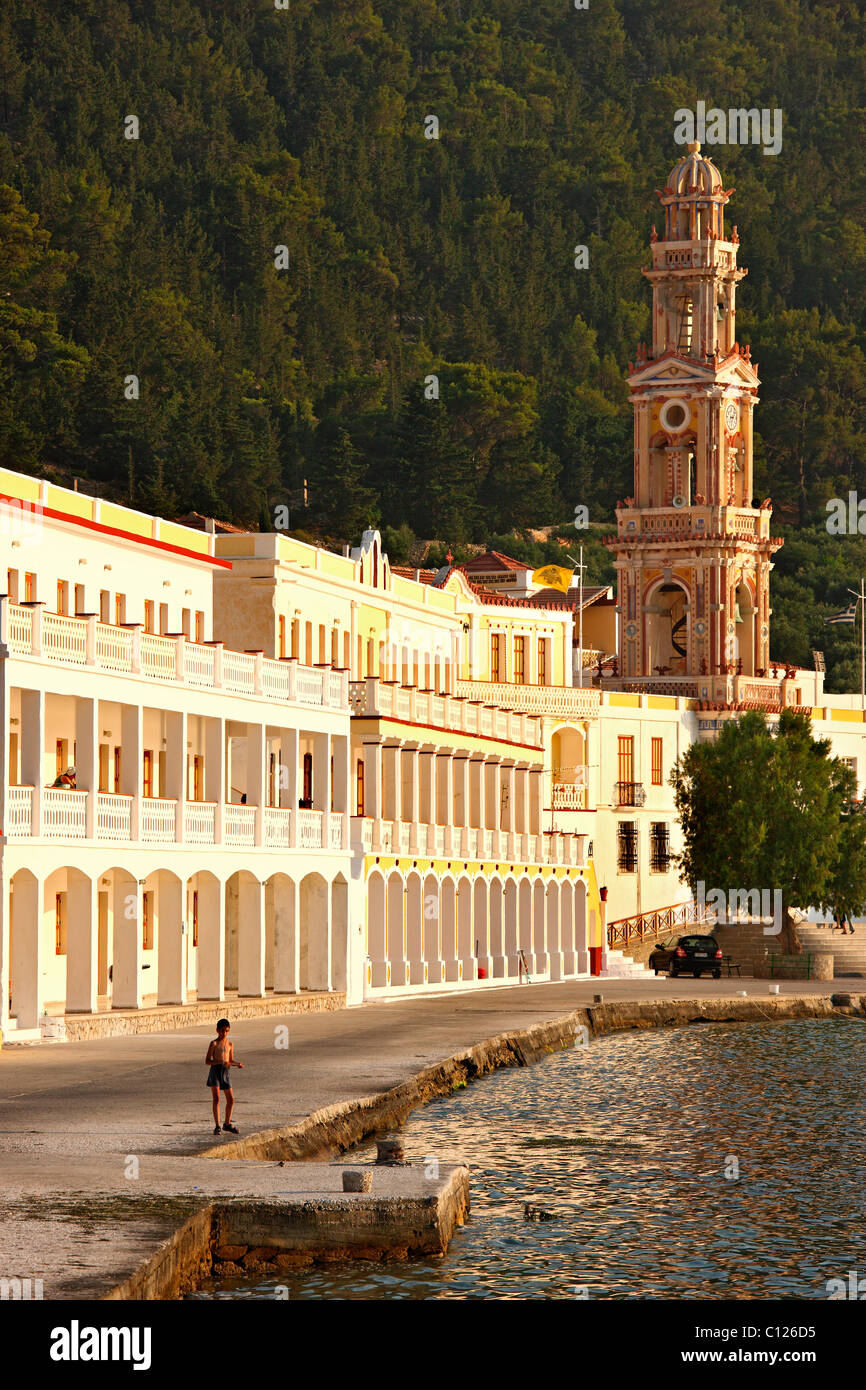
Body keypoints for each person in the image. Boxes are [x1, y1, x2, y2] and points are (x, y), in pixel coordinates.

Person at [205, 1018, 244, 1134]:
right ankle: (217, 1126)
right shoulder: (214, 1043)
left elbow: (230, 1060)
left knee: (231, 1100)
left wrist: (237, 1064)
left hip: (225, 1072)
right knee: (216, 1099)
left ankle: (227, 1123)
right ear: (217, 1030)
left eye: (227, 1031)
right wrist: (220, 1062)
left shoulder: (230, 1044)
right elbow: (207, 1061)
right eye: (222, 1031)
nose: (224, 1033)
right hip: (215, 1071)